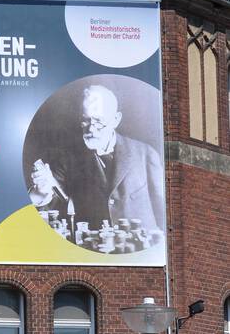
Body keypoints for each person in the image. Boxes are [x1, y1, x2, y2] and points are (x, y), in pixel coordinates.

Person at [31, 85, 164, 237]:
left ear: (116, 120)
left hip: (139, 246)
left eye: (99, 121)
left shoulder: (146, 154)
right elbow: (52, 207)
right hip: (92, 246)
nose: (91, 129)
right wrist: (41, 192)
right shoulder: (66, 158)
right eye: (86, 120)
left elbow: (163, 210)